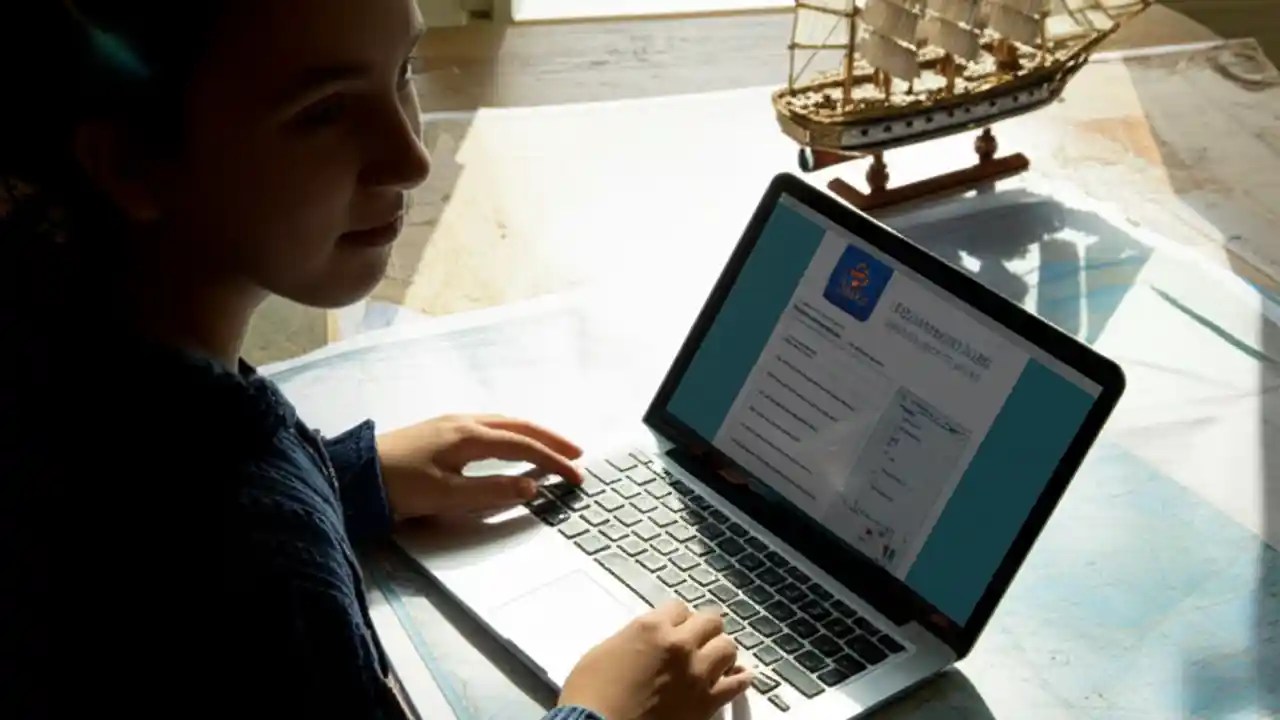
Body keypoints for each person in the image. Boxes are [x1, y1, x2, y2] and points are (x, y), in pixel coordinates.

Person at [0, 1, 752, 718]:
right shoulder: (250, 551)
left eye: (402, 73)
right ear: (132, 165)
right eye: (324, 112)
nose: (413, 158)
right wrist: (605, 715)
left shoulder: (75, 342)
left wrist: (347, 476)